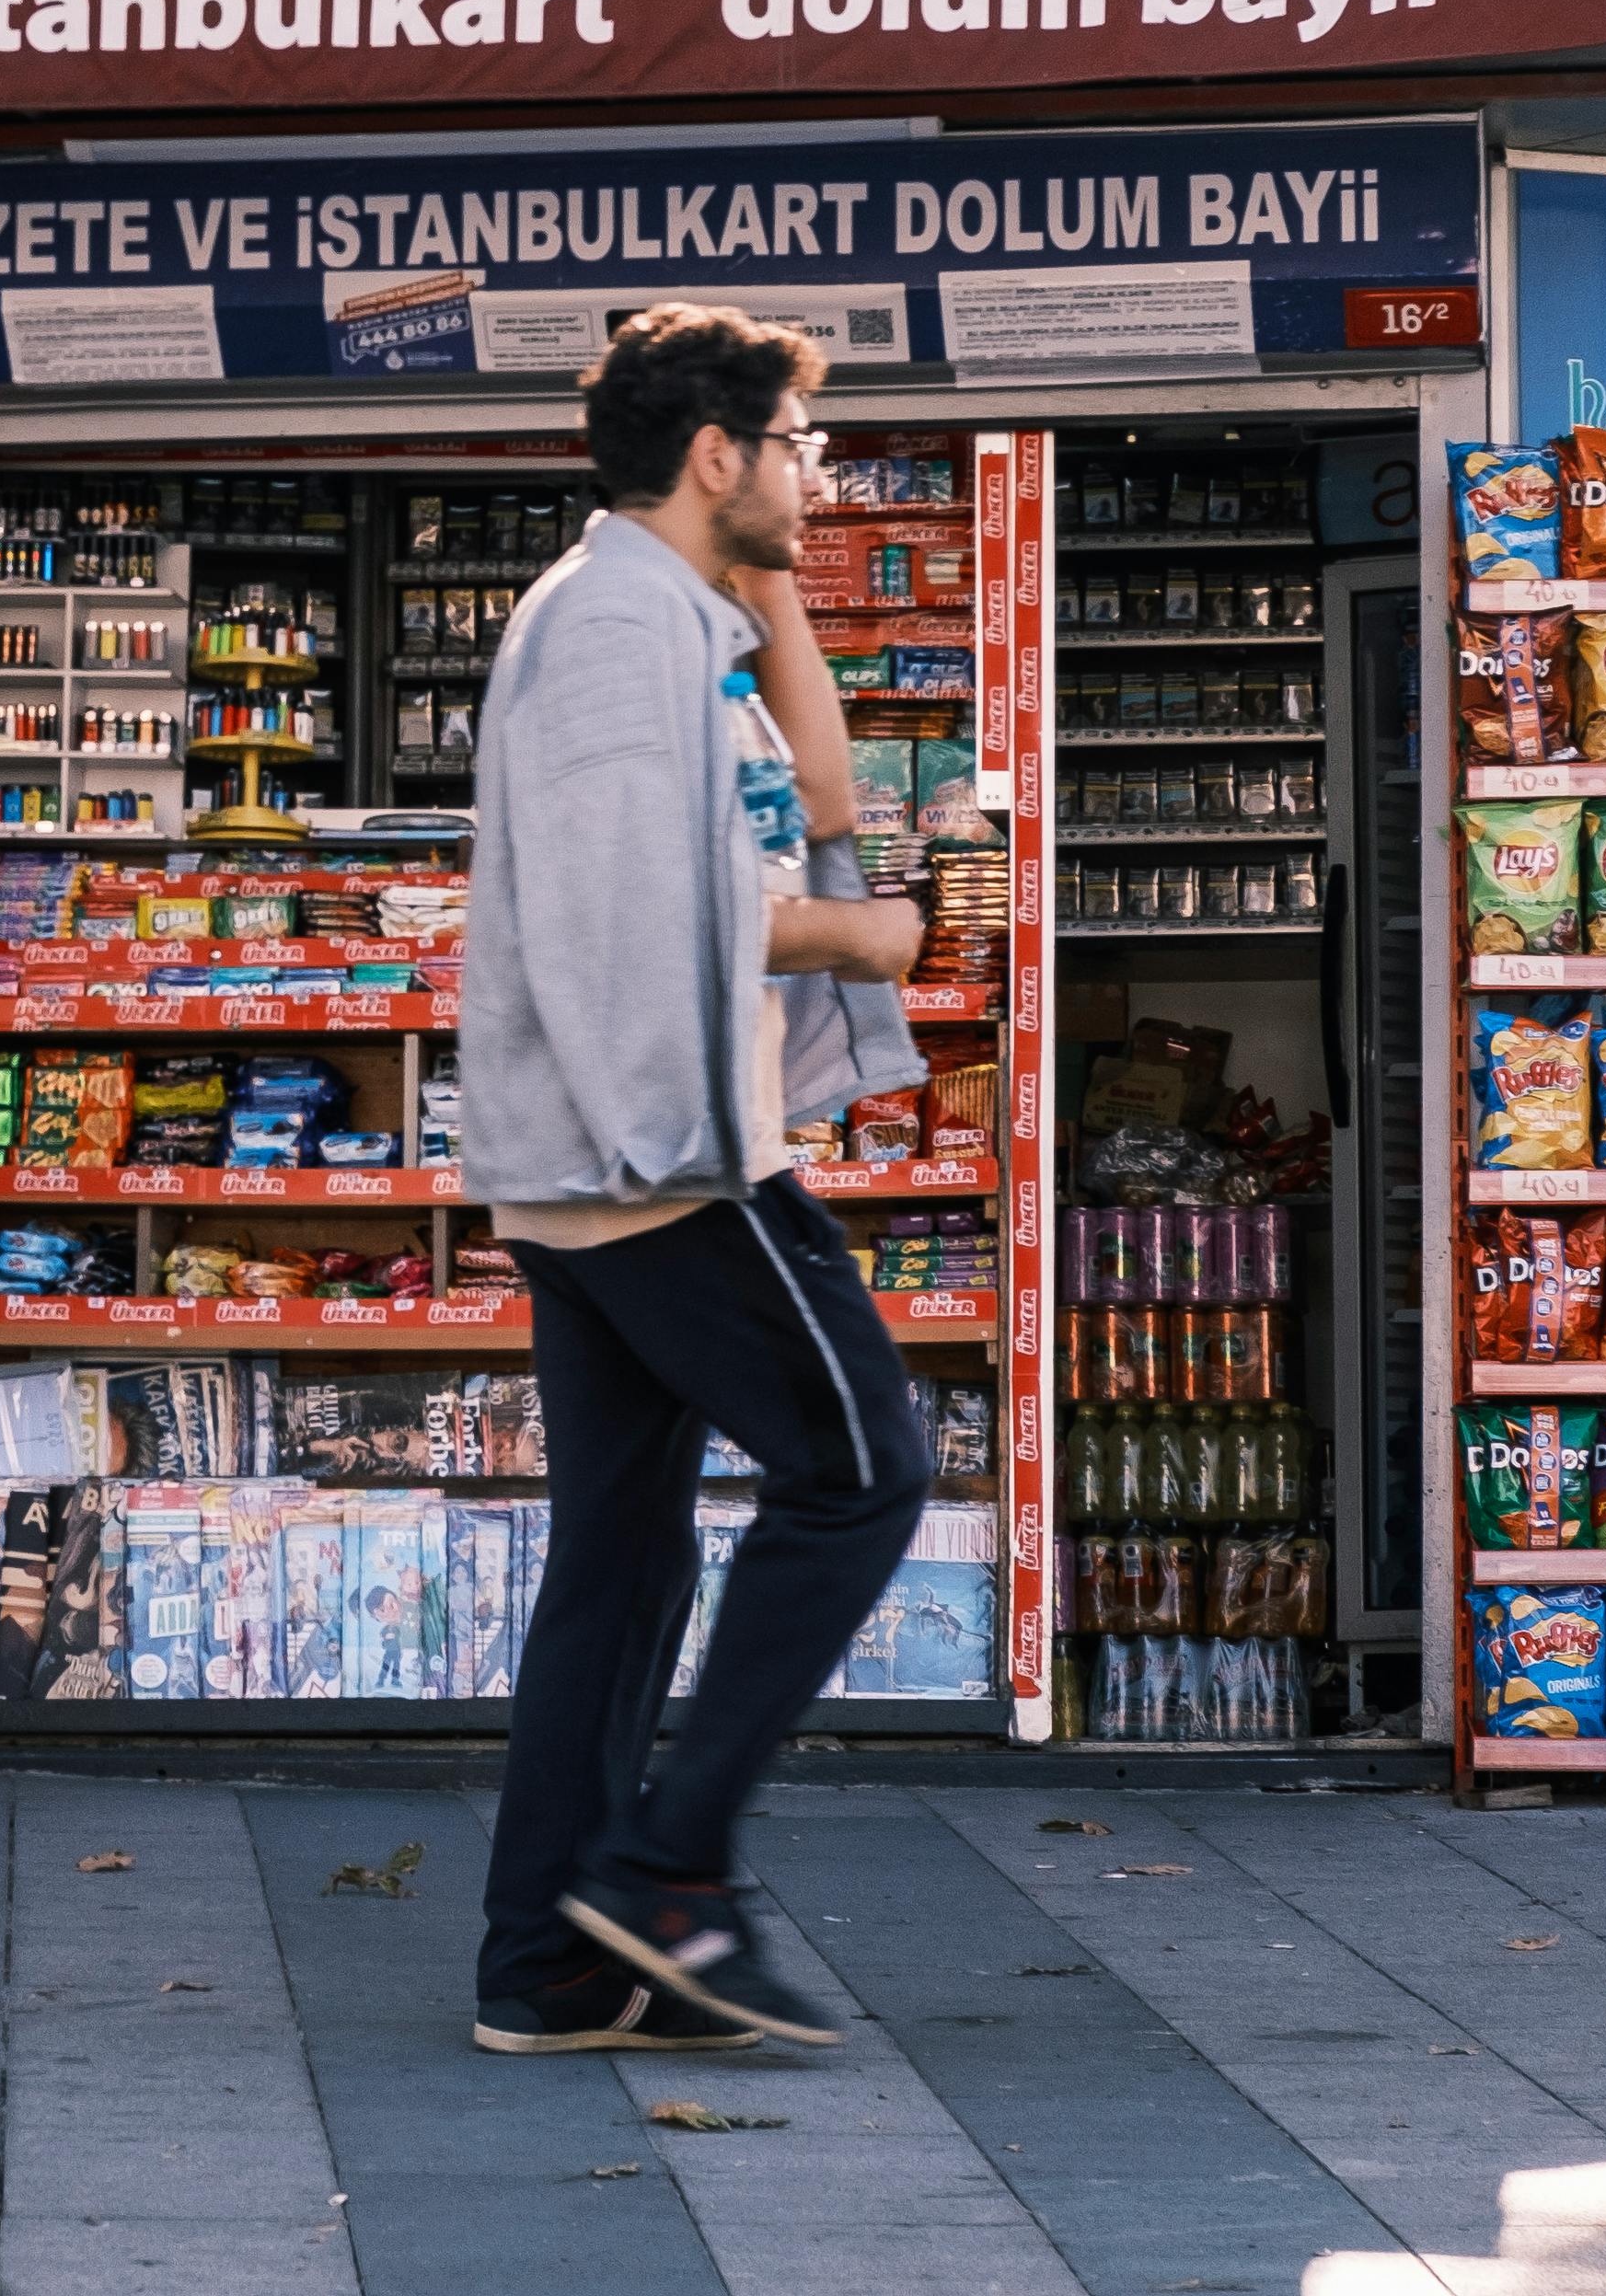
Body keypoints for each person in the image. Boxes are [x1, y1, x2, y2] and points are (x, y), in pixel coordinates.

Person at [462, 305, 927, 2052]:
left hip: (610, 1164)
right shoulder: (602, 630)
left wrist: (773, 572)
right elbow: (622, 903)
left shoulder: (675, 615)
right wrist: (847, 938)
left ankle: (550, 1965)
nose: (818, 474)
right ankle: (668, 1875)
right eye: (795, 447)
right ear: (712, 451)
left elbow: (811, 792)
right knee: (866, 1467)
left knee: (624, 1556)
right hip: (655, 1156)